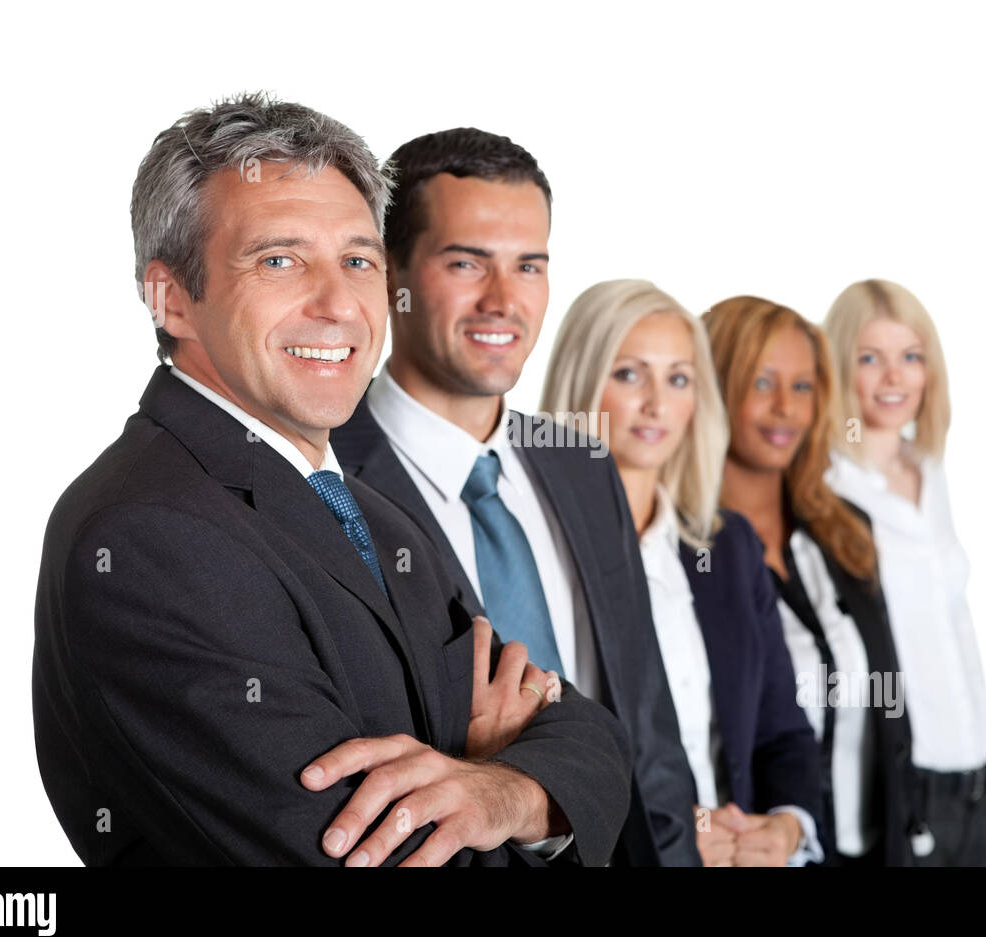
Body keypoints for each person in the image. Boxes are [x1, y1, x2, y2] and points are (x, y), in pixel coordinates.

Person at [31, 93, 633, 867]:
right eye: (279, 260)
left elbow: (585, 729)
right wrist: (503, 786)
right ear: (171, 296)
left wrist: (506, 792)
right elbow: (360, 855)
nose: (338, 303)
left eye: (358, 260)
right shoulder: (147, 536)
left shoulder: (374, 515)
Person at [329, 129, 701, 866]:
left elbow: (648, 721)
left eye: (529, 265)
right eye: (466, 262)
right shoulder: (329, 479)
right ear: (390, 271)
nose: (504, 300)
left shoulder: (582, 464)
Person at [541, 279, 824, 867]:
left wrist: (787, 827)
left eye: (678, 378)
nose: (656, 404)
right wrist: (673, 831)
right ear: (582, 381)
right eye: (628, 374)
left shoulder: (728, 547)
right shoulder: (535, 545)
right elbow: (550, 755)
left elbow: (782, 731)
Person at [703, 294, 922, 865]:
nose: (786, 410)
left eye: (802, 387)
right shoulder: (677, 551)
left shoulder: (845, 533)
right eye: (762, 383)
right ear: (713, 386)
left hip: (873, 848)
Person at [822, 278, 986, 866]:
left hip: (977, 780)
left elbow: (953, 616)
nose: (894, 378)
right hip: (906, 781)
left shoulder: (929, 471)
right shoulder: (828, 485)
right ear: (839, 367)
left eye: (910, 357)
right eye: (870, 358)